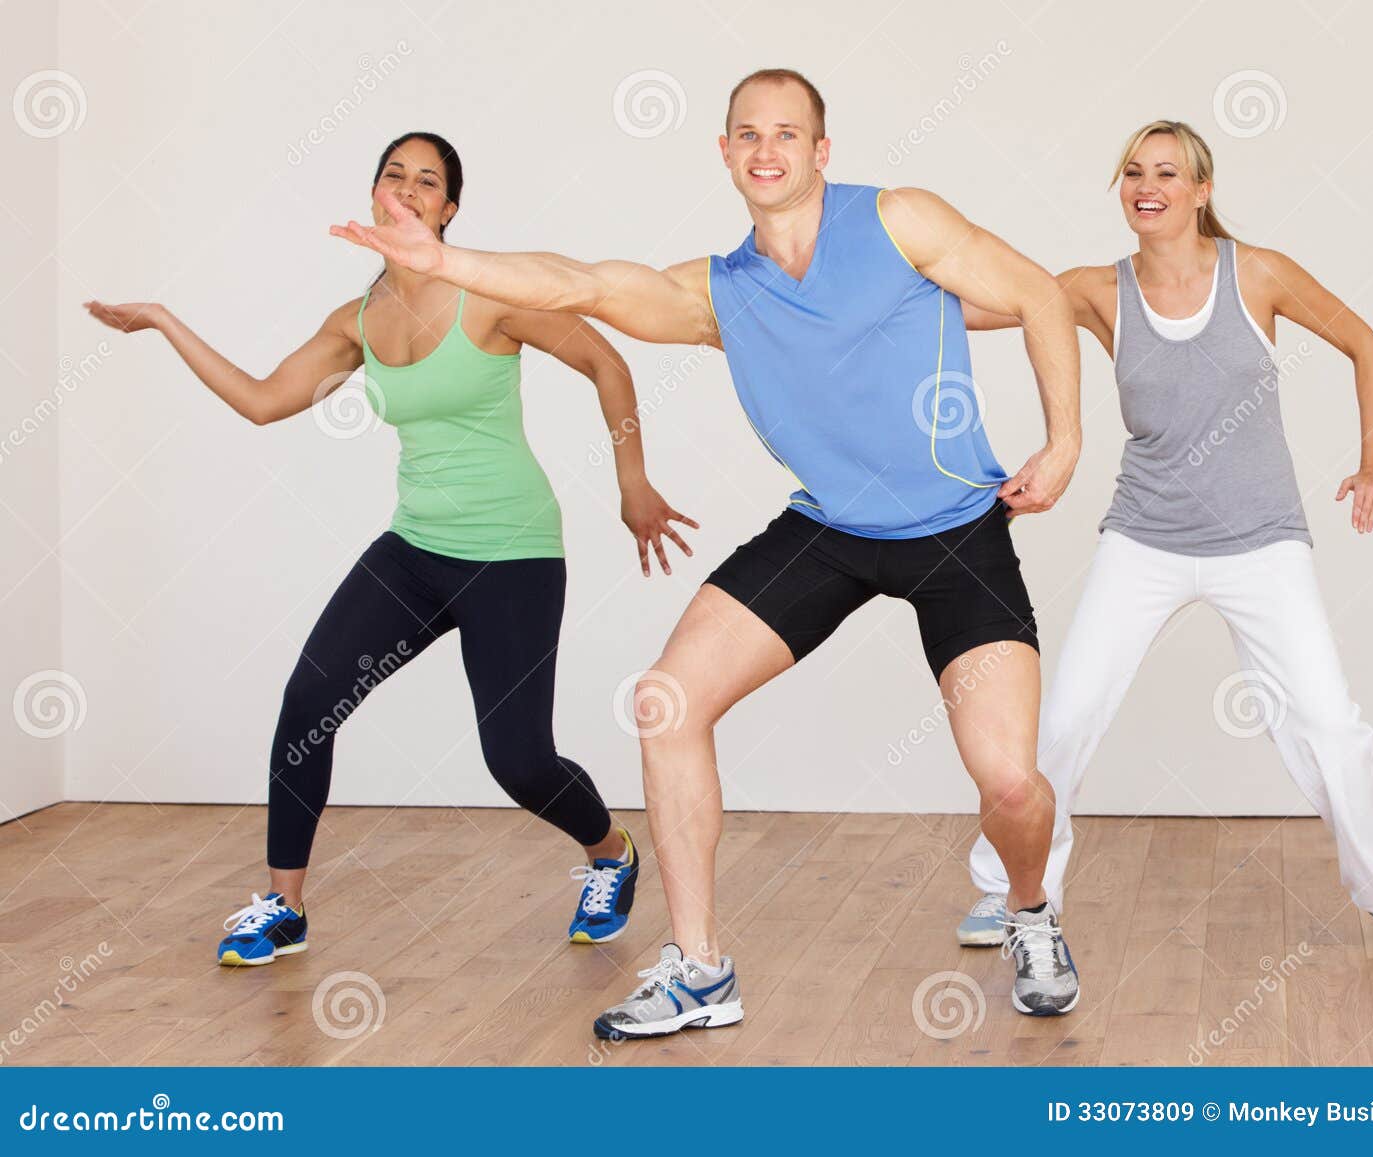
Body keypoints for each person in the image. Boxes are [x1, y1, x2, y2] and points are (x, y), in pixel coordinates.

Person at [331, 71, 1086, 1035]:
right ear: (726, 155)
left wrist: (1063, 441)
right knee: (666, 702)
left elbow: (1037, 293)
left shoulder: (902, 222)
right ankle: (698, 968)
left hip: (954, 530)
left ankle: (1029, 912)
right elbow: (583, 284)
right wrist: (445, 259)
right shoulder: (720, 292)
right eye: (745, 134)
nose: (765, 149)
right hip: (830, 527)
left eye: (787, 133)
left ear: (821, 151)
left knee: (1010, 783)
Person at [86, 132, 696, 966]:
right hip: (413, 550)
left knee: (516, 760)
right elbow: (264, 401)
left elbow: (606, 361)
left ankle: (609, 852)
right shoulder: (358, 322)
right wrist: (162, 321)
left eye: (428, 182)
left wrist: (632, 482)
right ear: (375, 195)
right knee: (309, 703)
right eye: (394, 175)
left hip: (512, 552)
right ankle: (283, 905)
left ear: (448, 210)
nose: (407, 190)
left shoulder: (489, 296)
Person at [958, 119, 1373, 955]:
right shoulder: (1095, 290)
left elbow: (1365, 342)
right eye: (1135, 172)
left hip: (1261, 539)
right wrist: (870, 292)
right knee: (1066, 717)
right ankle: (1011, 885)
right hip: (1144, 536)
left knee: (1328, 724)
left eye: (1169, 173)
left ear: (1201, 189)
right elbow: (980, 306)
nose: (1149, 186)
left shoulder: (1258, 273)